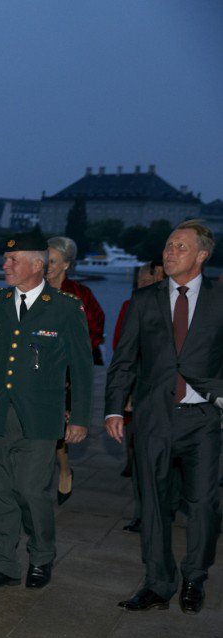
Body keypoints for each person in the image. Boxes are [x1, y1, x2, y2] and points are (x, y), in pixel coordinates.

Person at [0, 233, 92, 590]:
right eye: (5, 260)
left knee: (30, 490)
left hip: (40, 418)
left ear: (37, 265)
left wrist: (80, 418)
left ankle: (42, 556)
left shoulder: (64, 307)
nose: (4, 266)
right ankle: (6, 562)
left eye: (13, 261)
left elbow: (82, 368)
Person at [106, 221, 222, 615]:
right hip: (154, 417)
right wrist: (113, 407)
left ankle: (195, 576)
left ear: (202, 256)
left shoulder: (220, 298)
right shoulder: (145, 300)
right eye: (169, 245)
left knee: (204, 504)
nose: (169, 252)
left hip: (204, 418)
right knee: (152, 504)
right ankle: (157, 583)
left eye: (180, 247)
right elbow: (123, 360)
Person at [45, 236, 105, 504]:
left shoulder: (81, 295)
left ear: (67, 264)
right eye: (45, 259)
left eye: (54, 261)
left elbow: (94, 330)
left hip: (67, 371)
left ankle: (65, 470)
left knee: (59, 427)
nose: (47, 265)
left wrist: (71, 364)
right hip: (35, 369)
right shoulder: (33, 289)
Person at [113, 259, 166, 532]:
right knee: (143, 451)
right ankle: (143, 512)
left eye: (150, 279)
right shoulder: (133, 305)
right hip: (140, 387)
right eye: (141, 281)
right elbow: (122, 348)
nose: (144, 285)